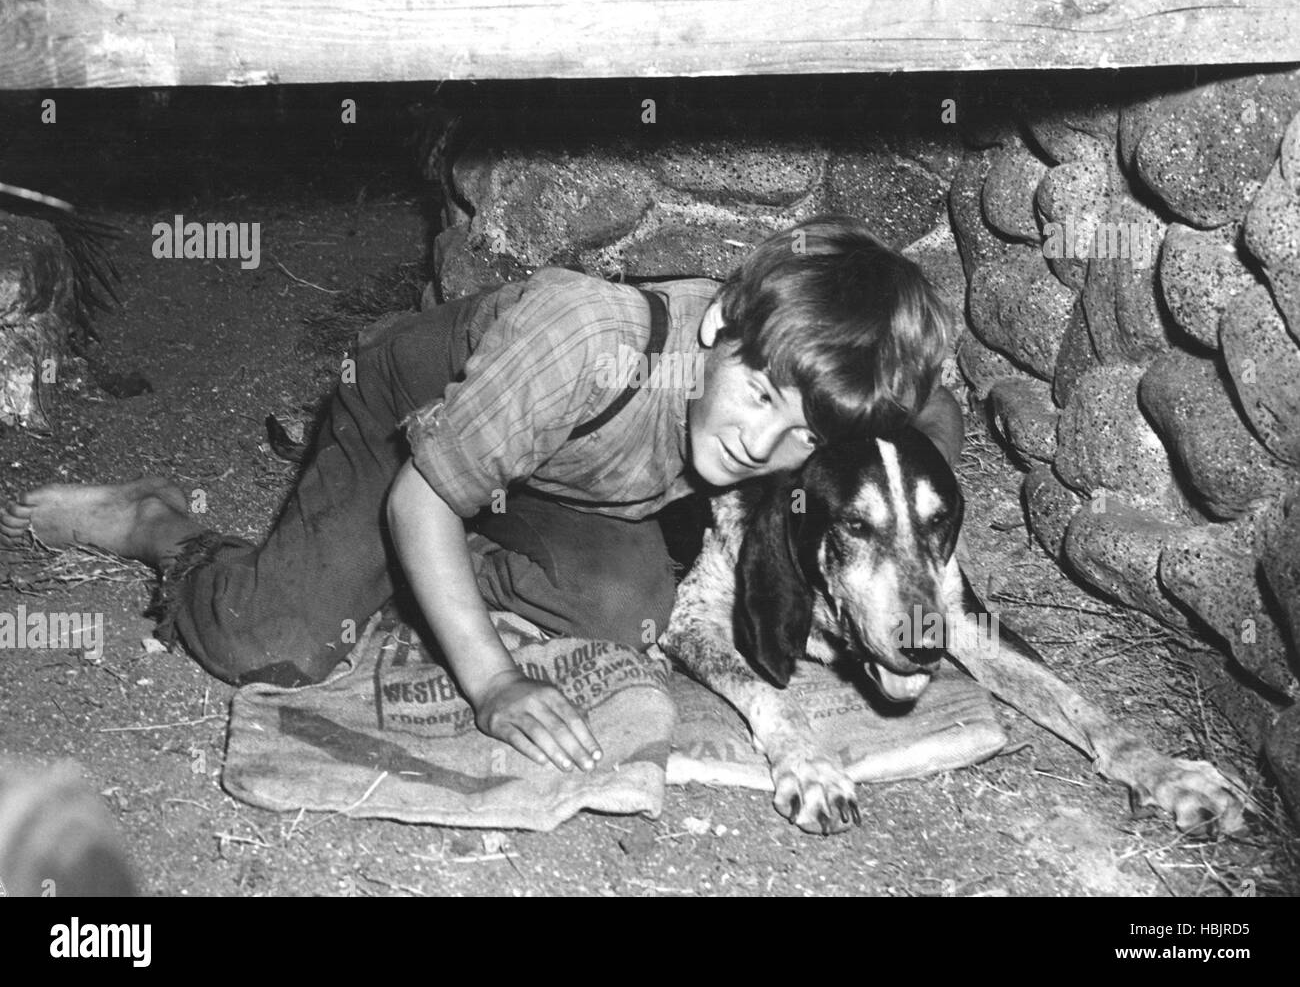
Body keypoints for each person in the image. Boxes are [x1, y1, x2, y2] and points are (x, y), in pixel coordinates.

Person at [1, 215, 961, 775]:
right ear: (718, 327)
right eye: (758, 397)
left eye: (800, 431)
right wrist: (493, 683)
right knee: (275, 644)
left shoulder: (784, 395)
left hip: (547, 475)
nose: (764, 442)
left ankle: (422, 586)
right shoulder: (589, 342)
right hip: (411, 428)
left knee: (628, 611)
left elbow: (927, 427)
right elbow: (423, 496)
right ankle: (162, 526)